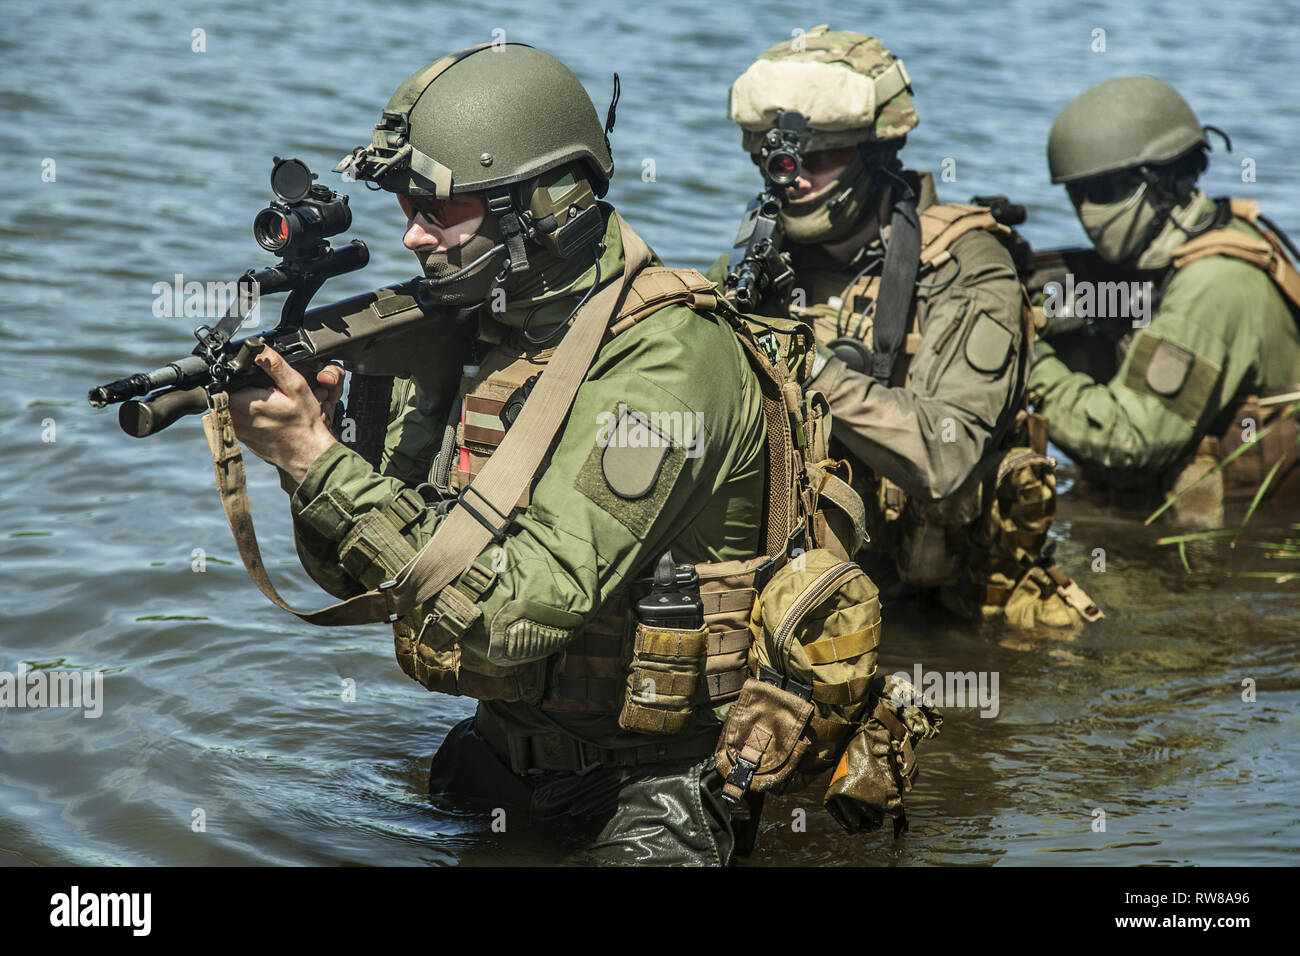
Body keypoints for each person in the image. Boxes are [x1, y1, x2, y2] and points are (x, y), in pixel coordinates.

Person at [222, 41, 831, 865]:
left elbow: (510, 621)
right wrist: (328, 445)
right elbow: (363, 580)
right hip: (510, 748)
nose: (409, 237)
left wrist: (312, 460)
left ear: (540, 208)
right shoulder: (479, 329)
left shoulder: (666, 363)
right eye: (405, 207)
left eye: (438, 211)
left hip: (664, 782)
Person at [711, 26, 1099, 629]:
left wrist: (797, 359)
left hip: (958, 614)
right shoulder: (763, 258)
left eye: (818, 157)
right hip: (810, 601)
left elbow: (942, 459)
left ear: (875, 152)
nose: (795, 178)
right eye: (778, 160)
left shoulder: (964, 266)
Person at [1029, 76, 1300, 526]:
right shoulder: (1218, 236)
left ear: (1159, 183)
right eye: (1076, 195)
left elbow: (1130, 441)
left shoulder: (1214, 283)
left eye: (1102, 192)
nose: (1087, 214)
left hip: (1229, 556)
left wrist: (1028, 360)